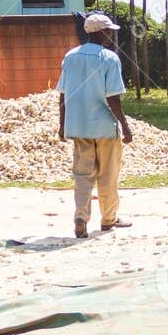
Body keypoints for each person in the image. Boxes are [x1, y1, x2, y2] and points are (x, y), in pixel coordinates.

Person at [58, 12, 133, 238]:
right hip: (104, 127)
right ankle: (109, 219)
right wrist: (125, 125)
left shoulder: (70, 57)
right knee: (108, 175)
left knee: (83, 176)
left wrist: (62, 125)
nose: (111, 34)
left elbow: (63, 95)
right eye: (108, 31)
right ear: (100, 32)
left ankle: (81, 217)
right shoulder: (109, 58)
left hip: (78, 126)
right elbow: (112, 97)